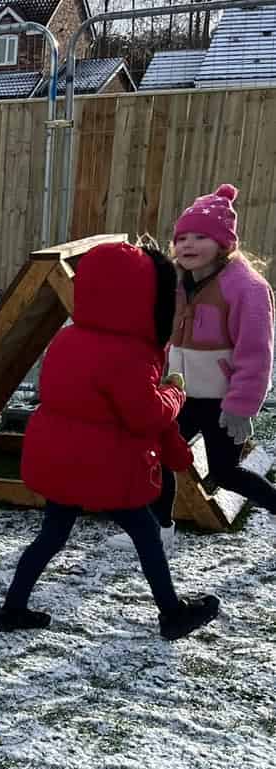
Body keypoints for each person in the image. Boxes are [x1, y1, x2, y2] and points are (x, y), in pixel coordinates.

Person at [0, 239, 219, 641]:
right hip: (104, 468)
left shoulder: (67, 337)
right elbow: (146, 414)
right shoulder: (129, 353)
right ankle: (171, 613)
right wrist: (175, 392)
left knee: (52, 535)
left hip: (59, 460)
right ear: (145, 298)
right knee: (146, 533)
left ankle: (12, 607)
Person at [151, 183, 276, 540]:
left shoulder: (246, 288)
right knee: (159, 455)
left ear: (225, 244)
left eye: (200, 237)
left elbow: (256, 353)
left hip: (224, 402)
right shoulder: (176, 280)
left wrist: (241, 405)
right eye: (182, 237)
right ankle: (161, 528)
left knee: (225, 473)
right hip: (181, 395)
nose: (188, 245)